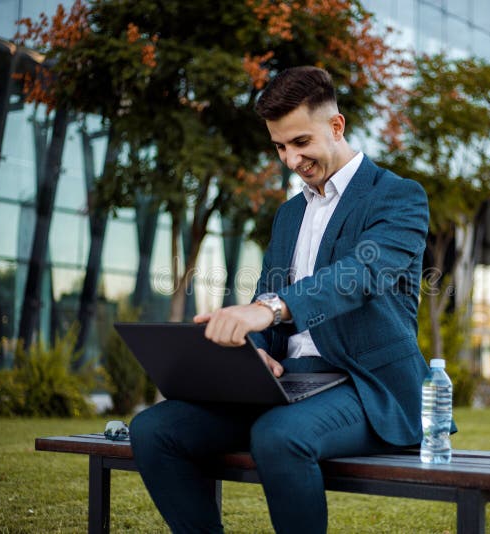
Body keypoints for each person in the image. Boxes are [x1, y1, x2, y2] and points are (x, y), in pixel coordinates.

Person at [129, 66, 431, 534]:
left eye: (301, 142)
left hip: (368, 388)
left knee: (278, 436)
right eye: (280, 147)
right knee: (153, 429)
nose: (291, 159)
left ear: (336, 126)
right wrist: (254, 352)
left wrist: (267, 310)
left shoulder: (398, 197)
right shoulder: (290, 214)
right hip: (285, 385)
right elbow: (268, 297)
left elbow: (358, 275)